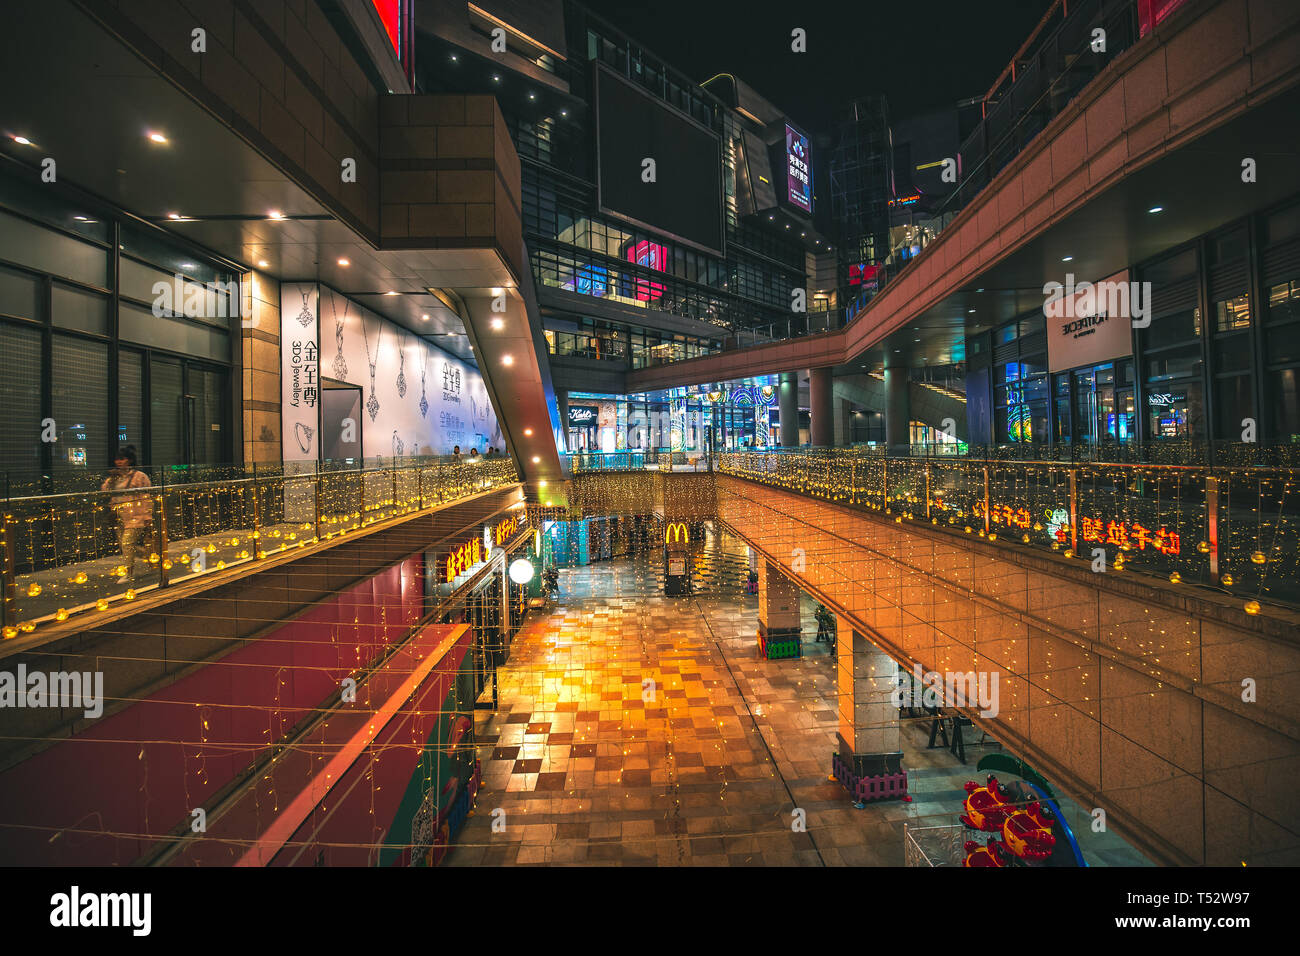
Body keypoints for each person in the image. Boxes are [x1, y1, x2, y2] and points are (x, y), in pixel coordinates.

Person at [101, 445, 152, 584]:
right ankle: (148, 555)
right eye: (117, 459)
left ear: (129, 460)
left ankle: (128, 573)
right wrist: (111, 478)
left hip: (136, 516)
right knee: (125, 544)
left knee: (127, 543)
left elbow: (146, 496)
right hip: (119, 516)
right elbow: (105, 491)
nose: (119, 462)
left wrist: (147, 516)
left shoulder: (139, 477)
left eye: (122, 459)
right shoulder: (114, 477)